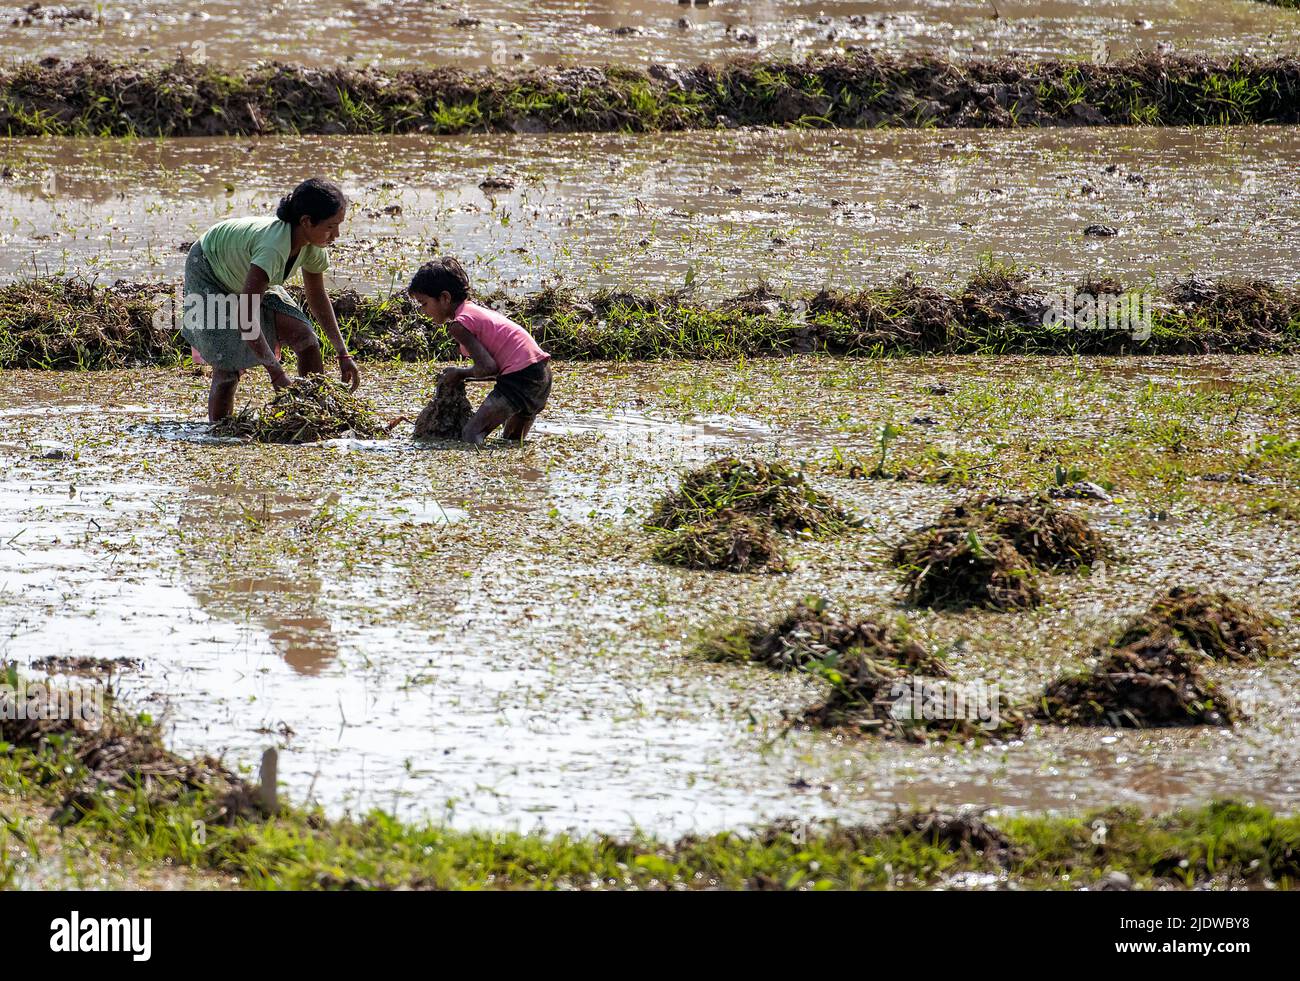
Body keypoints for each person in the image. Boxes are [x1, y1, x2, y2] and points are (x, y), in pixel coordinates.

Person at [181, 177, 360, 421]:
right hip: (209, 269)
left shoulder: (313, 245)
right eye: (330, 227)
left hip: (250, 275)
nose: (336, 234)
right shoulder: (273, 249)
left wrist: (343, 353)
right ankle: (220, 434)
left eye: (338, 226)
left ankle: (310, 413)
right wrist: (275, 373)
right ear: (306, 221)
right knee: (227, 368)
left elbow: (317, 296)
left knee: (306, 338)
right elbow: (246, 318)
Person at [409, 257, 552, 444]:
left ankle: (479, 472)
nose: (422, 311)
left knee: (471, 433)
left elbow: (488, 367)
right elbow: (498, 366)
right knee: (513, 442)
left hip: (521, 377)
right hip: (541, 373)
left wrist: (459, 374)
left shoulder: (459, 325)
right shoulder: (472, 311)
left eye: (424, 303)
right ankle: (517, 471)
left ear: (445, 298)